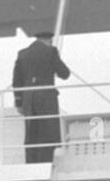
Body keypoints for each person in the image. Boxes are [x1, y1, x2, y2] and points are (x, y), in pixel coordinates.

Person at [12, 30, 71, 164]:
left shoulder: (22, 54)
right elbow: (64, 73)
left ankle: (31, 165)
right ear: (49, 40)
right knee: (47, 132)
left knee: (31, 134)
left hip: (28, 100)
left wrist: (19, 102)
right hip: (46, 98)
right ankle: (45, 164)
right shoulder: (50, 52)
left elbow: (17, 81)